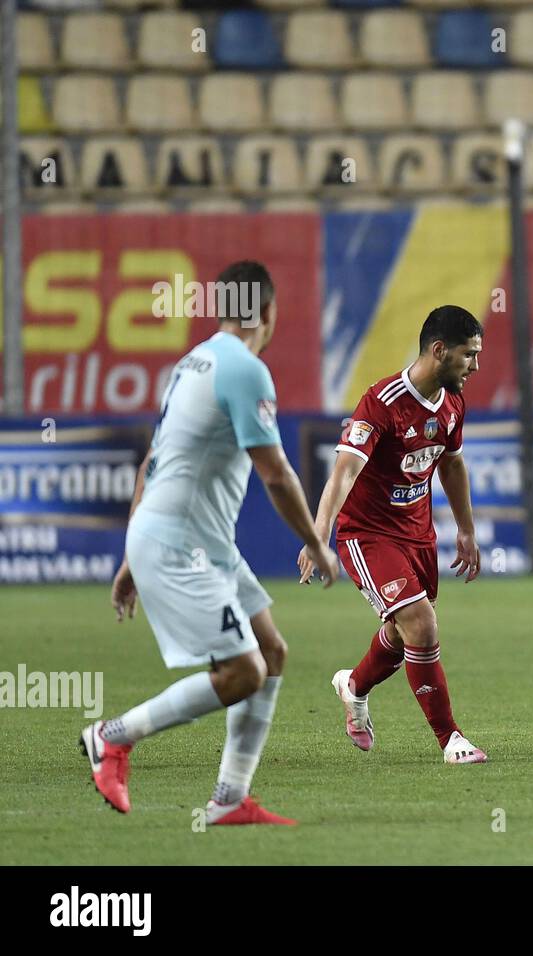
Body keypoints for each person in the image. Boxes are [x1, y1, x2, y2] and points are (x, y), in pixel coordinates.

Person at [89, 260, 340, 825]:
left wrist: (131, 554)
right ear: (268, 311)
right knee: (244, 671)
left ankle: (230, 800)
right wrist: (316, 542)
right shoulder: (245, 370)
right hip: (181, 542)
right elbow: (276, 474)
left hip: (193, 538)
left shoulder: (191, 362)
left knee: (271, 653)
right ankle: (113, 737)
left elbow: (152, 461)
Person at [299, 305, 487, 765]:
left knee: (404, 635)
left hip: (418, 535)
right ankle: (451, 739)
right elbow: (345, 471)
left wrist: (465, 528)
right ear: (439, 350)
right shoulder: (382, 402)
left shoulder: (452, 404)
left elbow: (451, 464)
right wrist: (318, 534)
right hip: (368, 534)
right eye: (468, 355)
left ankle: (354, 686)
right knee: (421, 623)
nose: (475, 366)